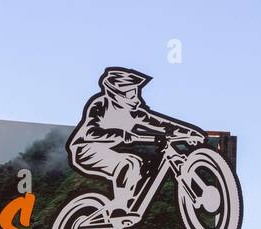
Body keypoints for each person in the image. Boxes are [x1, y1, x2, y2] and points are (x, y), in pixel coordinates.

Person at [66, 68, 206, 210]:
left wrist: (189, 133)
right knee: (129, 163)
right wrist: (120, 134)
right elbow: (90, 132)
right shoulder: (100, 104)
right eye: (130, 93)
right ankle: (119, 207)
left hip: (107, 149)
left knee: (141, 167)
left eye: (136, 92)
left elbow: (160, 123)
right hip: (84, 148)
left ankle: (129, 200)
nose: (135, 97)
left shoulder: (134, 113)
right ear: (116, 94)